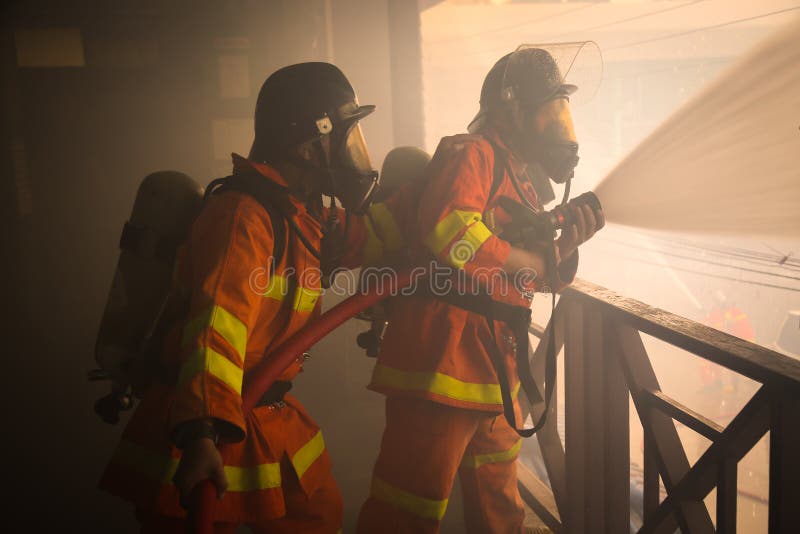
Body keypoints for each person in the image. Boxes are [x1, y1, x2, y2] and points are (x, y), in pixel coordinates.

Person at [100, 62, 382, 533]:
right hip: (207, 418)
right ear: (310, 146)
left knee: (317, 514)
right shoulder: (244, 218)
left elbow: (371, 238)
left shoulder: (302, 214)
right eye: (346, 139)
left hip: (265, 413)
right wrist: (199, 434)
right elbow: (216, 328)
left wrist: (448, 227)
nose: (354, 155)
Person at [357, 47, 606, 533]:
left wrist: (566, 247)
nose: (558, 124)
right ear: (512, 109)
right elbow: (449, 230)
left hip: (493, 374)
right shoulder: (472, 153)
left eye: (562, 109)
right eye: (548, 109)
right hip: (441, 368)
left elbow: (532, 276)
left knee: (501, 511)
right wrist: (533, 259)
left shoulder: (523, 181)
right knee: (407, 511)